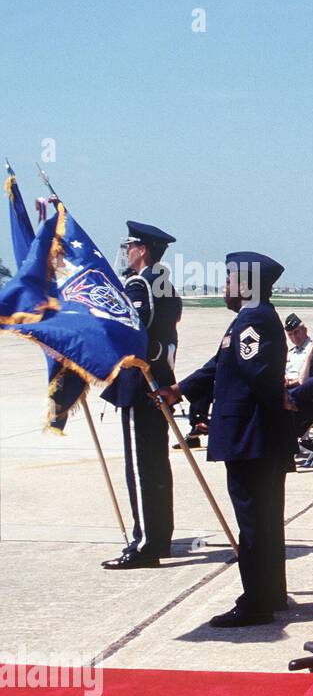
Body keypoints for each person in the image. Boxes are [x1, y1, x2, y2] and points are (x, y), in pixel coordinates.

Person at [153, 252, 295, 627]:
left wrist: (280, 413)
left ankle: (256, 603)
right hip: (255, 437)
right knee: (263, 520)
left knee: (253, 523)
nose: (226, 286)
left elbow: (260, 376)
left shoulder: (254, 320)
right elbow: (219, 366)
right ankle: (271, 594)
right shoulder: (248, 320)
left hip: (252, 438)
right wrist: (178, 389)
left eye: (231, 279)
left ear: (247, 284)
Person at [101, 221, 181, 570]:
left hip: (140, 383)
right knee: (155, 463)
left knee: (142, 467)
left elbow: (132, 330)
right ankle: (158, 535)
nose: (127, 251)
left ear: (143, 249)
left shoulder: (140, 283)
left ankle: (147, 543)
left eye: (130, 245)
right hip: (159, 378)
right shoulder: (165, 284)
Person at [283, 313, 311, 384]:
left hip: (302, 387)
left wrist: (293, 382)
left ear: (305, 330)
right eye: (290, 334)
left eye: (296, 332)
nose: (294, 337)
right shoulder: (290, 353)